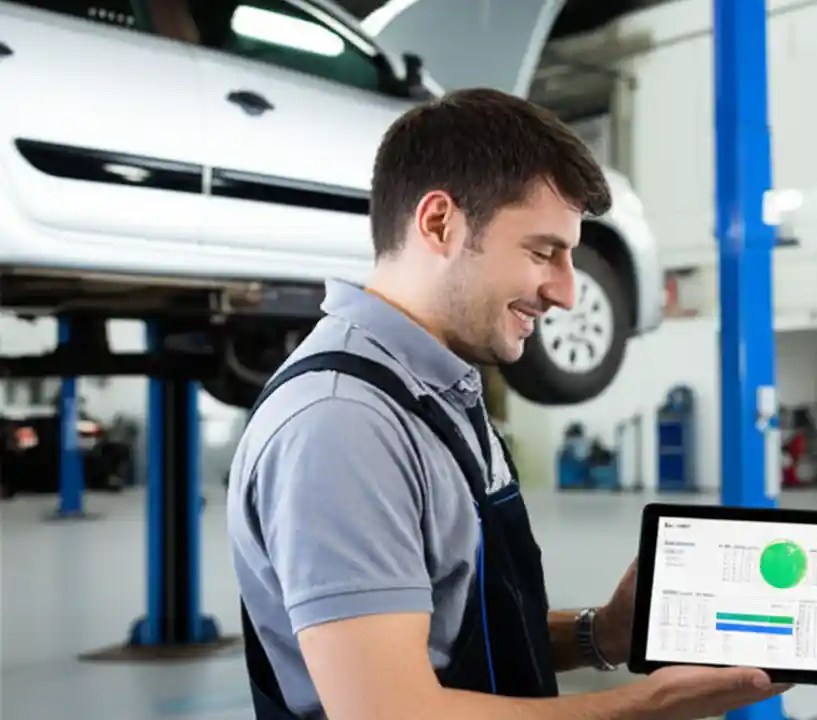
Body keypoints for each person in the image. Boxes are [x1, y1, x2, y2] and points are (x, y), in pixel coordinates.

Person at [226, 88, 788, 720]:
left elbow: (453, 639)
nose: (568, 293)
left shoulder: (433, 392)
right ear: (439, 223)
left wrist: (603, 632)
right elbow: (392, 711)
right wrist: (654, 703)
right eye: (543, 251)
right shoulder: (343, 424)